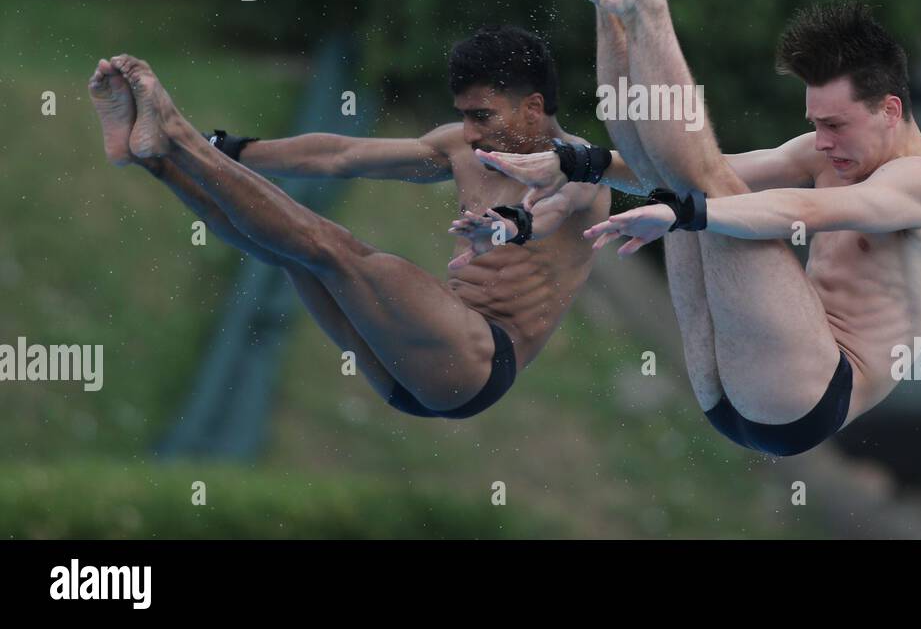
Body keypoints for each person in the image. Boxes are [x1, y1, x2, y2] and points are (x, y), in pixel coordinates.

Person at [477, 0, 921, 456]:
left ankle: (649, 4)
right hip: (729, 387)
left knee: (698, 190)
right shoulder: (823, 153)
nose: (823, 141)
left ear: (888, 109)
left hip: (809, 394)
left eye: (835, 124)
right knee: (676, 176)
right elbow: (678, 174)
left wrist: (685, 210)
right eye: (815, 124)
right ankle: (611, 7)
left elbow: (798, 211)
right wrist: (577, 164)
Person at [88, 25, 609, 419]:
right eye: (465, 115)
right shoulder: (462, 147)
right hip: (406, 362)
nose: (469, 133)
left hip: (474, 364)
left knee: (334, 248)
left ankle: (176, 135)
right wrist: (234, 149)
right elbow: (339, 155)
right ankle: (154, 157)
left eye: (483, 117)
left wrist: (511, 224)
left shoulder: (580, 171)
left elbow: (550, 211)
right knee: (289, 250)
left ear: (533, 107)